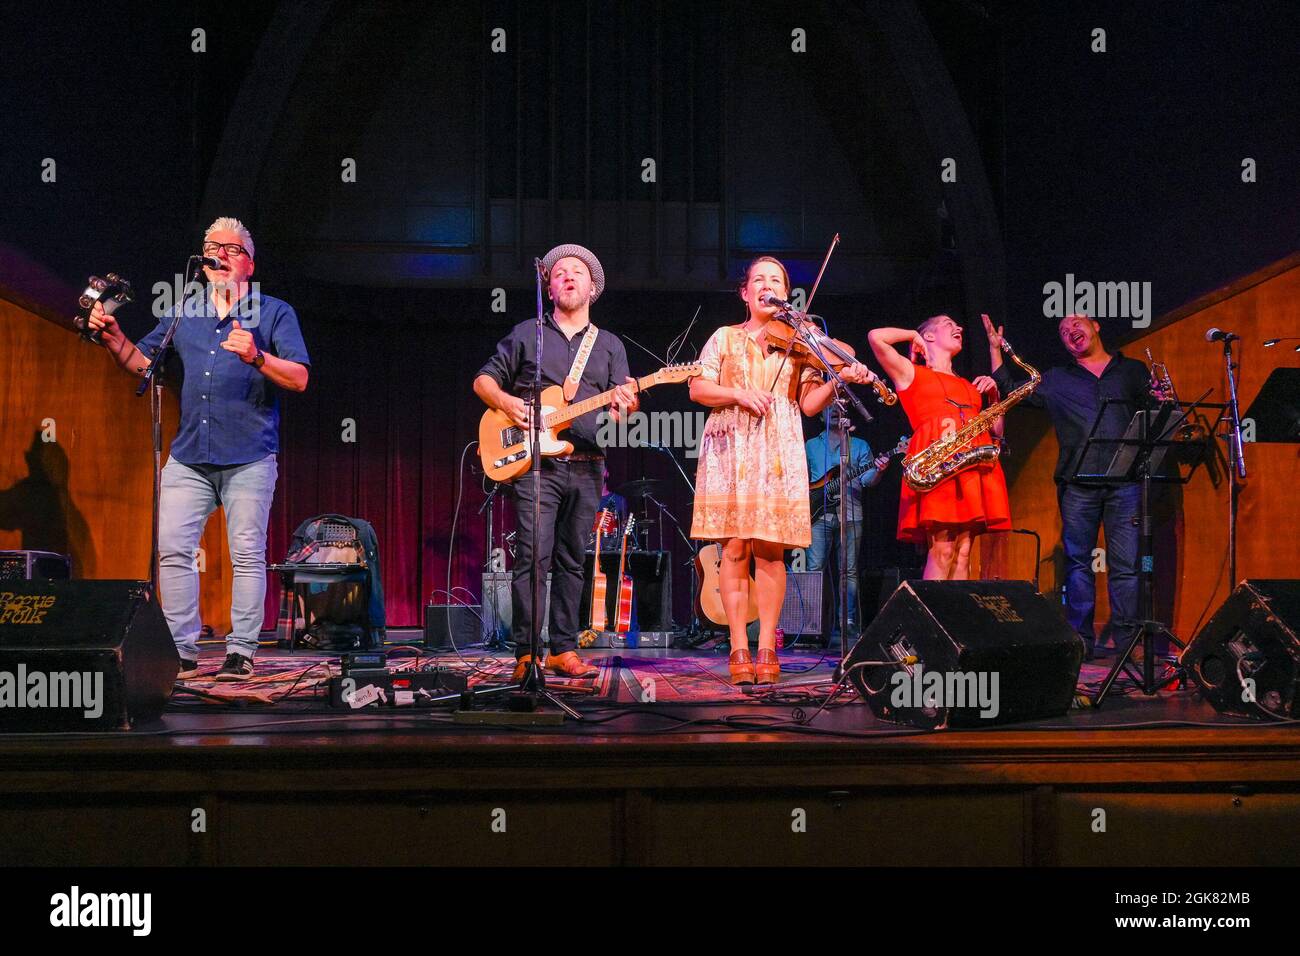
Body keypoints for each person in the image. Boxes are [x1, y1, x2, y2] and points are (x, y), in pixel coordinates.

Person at [88, 217, 310, 681]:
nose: (220, 255)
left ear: (250, 262)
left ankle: (242, 651)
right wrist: (113, 338)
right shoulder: (184, 312)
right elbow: (143, 364)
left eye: (231, 248)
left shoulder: (273, 312)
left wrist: (257, 356)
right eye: (212, 247)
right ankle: (181, 651)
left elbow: (300, 378)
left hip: (249, 455)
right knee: (172, 549)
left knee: (246, 553)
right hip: (189, 456)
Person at [690, 256, 876, 684]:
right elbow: (699, 387)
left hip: (776, 446)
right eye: (759, 279)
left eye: (776, 280)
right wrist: (737, 394)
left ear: (786, 293)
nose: (767, 285)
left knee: (770, 551)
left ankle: (768, 646)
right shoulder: (723, 337)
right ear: (745, 292)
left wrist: (839, 377)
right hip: (732, 445)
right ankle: (739, 646)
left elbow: (810, 404)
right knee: (734, 549)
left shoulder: (801, 340)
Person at [474, 244, 638, 681]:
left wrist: (626, 406)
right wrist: (510, 403)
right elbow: (484, 380)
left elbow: (623, 412)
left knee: (571, 558)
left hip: (587, 464)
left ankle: (565, 649)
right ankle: (527, 652)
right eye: (559, 272)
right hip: (535, 465)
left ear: (592, 287)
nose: (567, 276)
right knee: (532, 556)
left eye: (577, 272)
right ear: (548, 286)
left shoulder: (609, 345)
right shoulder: (530, 332)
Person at [985, 312, 1162, 660]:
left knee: (1127, 567)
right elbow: (1010, 389)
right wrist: (995, 350)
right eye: (1063, 331)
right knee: (1079, 565)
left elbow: (1155, 414)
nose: (1070, 331)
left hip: (1125, 483)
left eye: (1077, 323)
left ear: (1096, 326)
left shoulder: (1132, 371)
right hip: (1077, 484)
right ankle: (1082, 642)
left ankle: (1128, 645)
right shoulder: (1056, 379)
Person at [868, 316, 1010, 580]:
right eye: (948, 324)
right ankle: (929, 621)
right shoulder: (912, 373)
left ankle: (955, 620)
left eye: (957, 325)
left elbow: (997, 431)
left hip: (971, 466)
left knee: (964, 551)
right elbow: (876, 336)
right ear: (929, 336)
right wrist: (912, 334)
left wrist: (994, 397)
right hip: (938, 467)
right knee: (942, 550)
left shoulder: (970, 385)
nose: (958, 328)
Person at [804, 409, 889, 647]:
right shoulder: (811, 445)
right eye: (828, 408)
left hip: (851, 514)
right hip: (819, 516)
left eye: (838, 407)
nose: (833, 411)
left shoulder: (859, 445)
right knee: (814, 568)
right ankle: (813, 622)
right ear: (821, 416)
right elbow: (804, 480)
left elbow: (867, 480)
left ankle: (848, 621)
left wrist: (879, 470)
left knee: (848, 571)